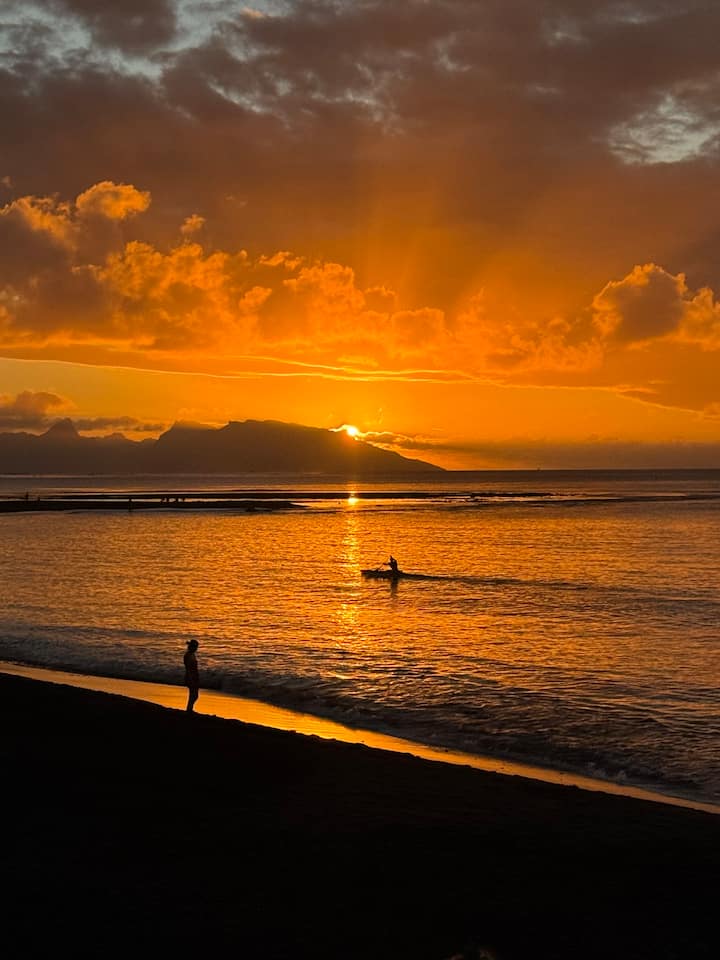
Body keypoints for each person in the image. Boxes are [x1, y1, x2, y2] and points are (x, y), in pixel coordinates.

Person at [183, 639, 200, 712]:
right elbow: (188, 668)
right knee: (194, 694)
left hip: (194, 676)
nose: (196, 649)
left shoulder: (192, 654)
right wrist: (191, 678)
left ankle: (189, 708)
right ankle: (189, 709)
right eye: (196, 647)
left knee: (194, 694)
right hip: (191, 676)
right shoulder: (188, 655)